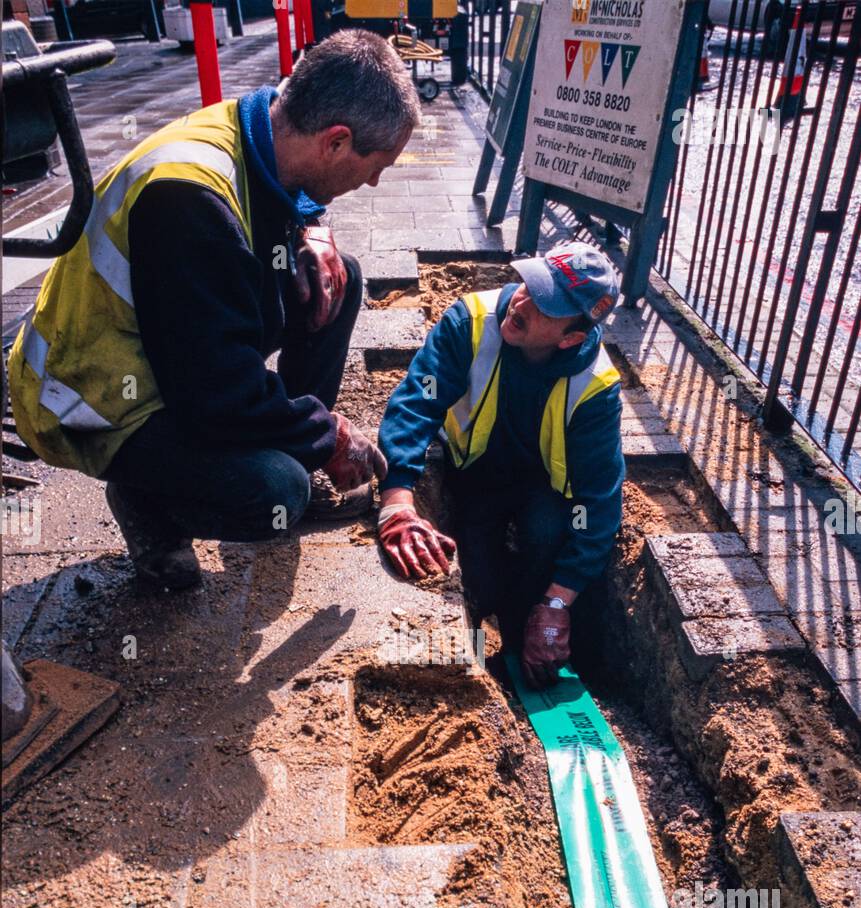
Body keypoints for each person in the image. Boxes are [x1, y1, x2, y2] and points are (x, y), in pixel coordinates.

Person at [8, 31, 420, 589]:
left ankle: (294, 446)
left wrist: (310, 226)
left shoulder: (269, 124)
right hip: (96, 396)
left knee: (336, 277)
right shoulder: (188, 200)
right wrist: (332, 435)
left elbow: (278, 190)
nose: (373, 181)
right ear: (336, 142)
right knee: (276, 491)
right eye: (376, 166)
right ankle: (150, 501)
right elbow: (216, 396)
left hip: (170, 345)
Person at [375, 243, 625, 687]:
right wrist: (396, 498)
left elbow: (598, 497)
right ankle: (477, 669)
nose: (522, 303)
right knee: (476, 580)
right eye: (532, 285)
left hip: (543, 490)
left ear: (571, 338)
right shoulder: (471, 322)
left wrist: (558, 602)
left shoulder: (596, 387)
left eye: (545, 306)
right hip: (474, 476)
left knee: (547, 535)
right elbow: (418, 402)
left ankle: (520, 636)